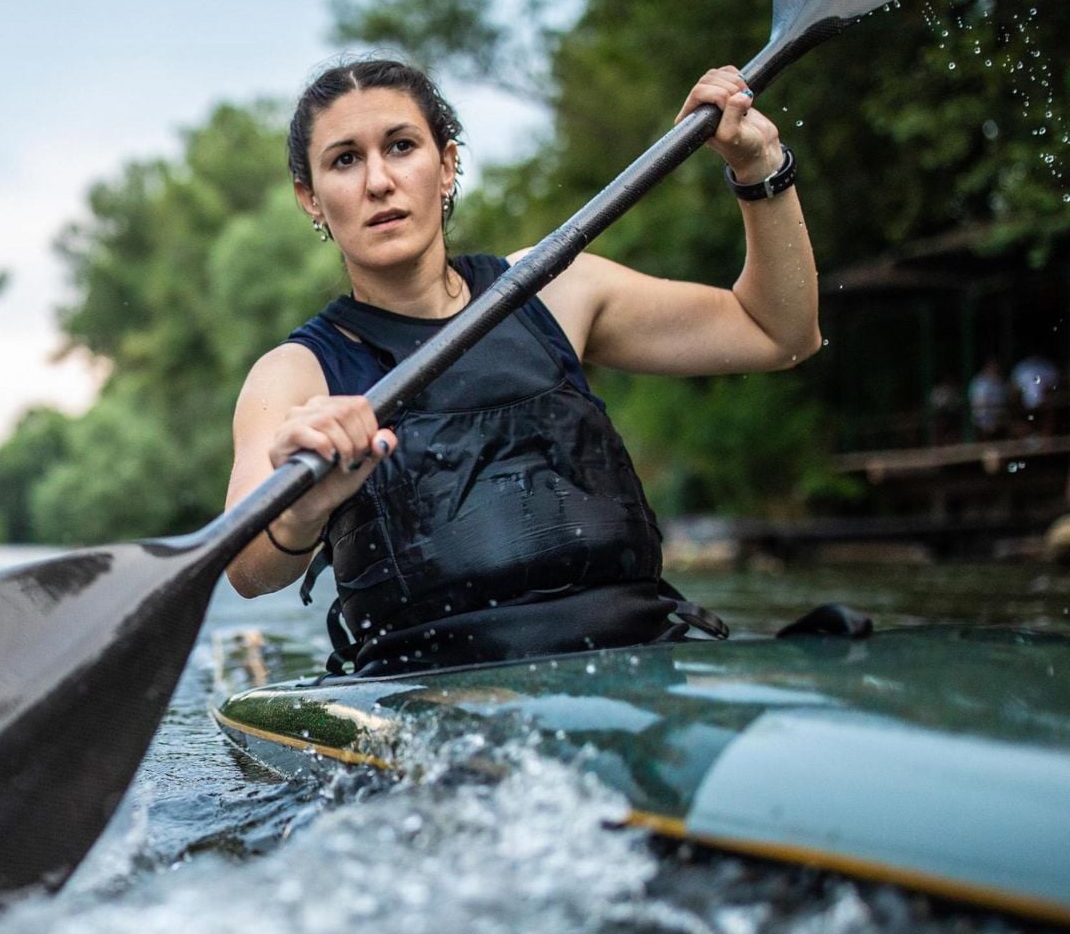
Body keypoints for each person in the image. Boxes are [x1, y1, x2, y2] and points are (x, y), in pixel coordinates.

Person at [223, 58, 819, 677]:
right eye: (345, 160)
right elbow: (245, 569)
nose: (378, 181)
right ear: (311, 199)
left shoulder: (551, 286)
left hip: (642, 662)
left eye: (401, 147)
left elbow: (779, 333)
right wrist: (302, 508)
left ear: (447, 165)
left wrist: (760, 168)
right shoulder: (295, 374)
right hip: (436, 704)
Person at [1010, 353, 1059, 434]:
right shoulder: (1021, 368)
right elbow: (1015, 390)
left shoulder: (1047, 367)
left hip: (1043, 405)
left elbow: (1053, 387)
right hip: (1026, 405)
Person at [969, 358, 1012, 439]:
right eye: (992, 367)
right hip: (983, 422)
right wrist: (989, 424)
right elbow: (979, 406)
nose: (995, 369)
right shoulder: (979, 382)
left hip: (1000, 421)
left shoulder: (1002, 382)